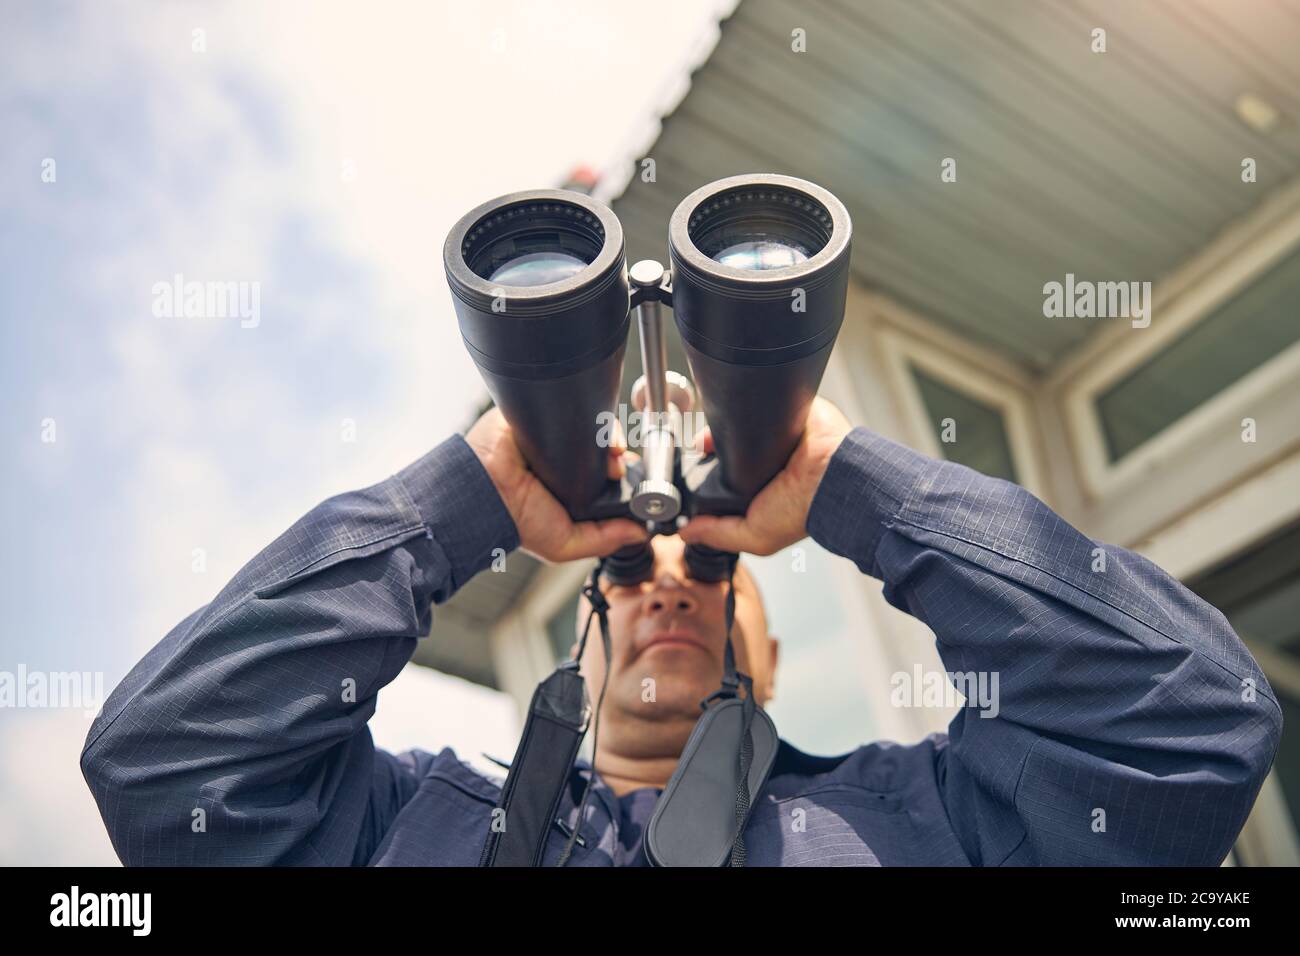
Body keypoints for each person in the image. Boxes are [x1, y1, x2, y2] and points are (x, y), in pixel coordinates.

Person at [82, 397, 1281, 865]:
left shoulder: (942, 817)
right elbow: (167, 760)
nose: (671, 584)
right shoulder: (400, 826)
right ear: (579, 649)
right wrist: (467, 497)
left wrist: (849, 481)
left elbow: (1193, 720)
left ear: (762, 647)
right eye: (625, 567)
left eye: (715, 564)